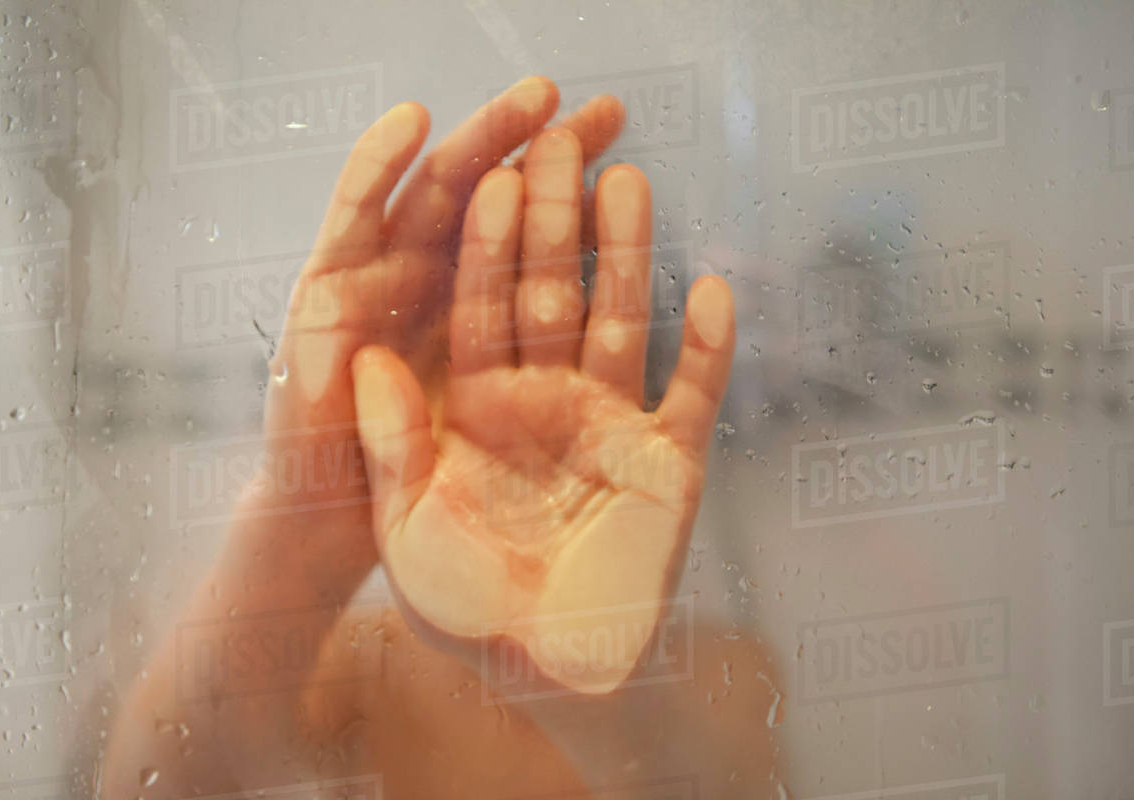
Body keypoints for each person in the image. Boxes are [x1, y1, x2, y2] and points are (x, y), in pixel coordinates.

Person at [104, 76, 774, 800]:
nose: (511, 444)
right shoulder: (358, 675)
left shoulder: (726, 676)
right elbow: (157, 780)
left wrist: (590, 680)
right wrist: (301, 535)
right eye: (466, 367)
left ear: (636, 413)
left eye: (550, 389)